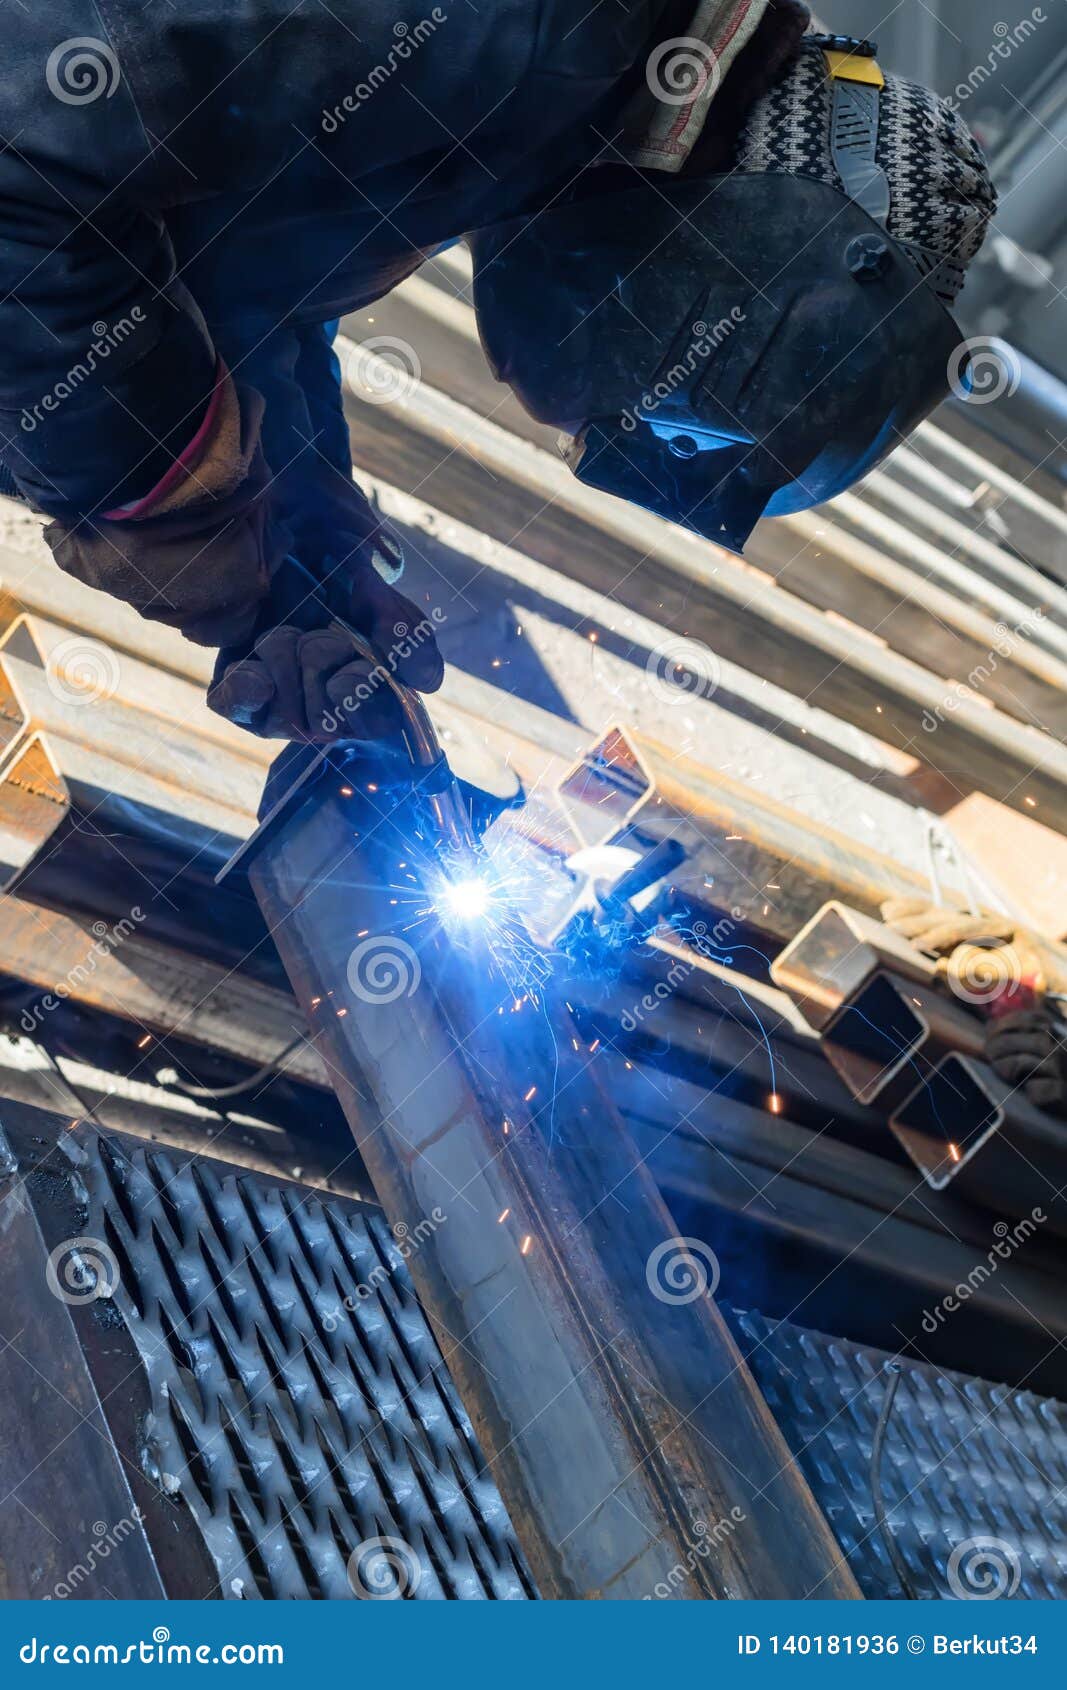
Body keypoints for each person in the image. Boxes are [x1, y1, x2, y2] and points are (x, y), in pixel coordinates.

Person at [0, 2, 995, 745]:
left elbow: (237, 247)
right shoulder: (529, 27)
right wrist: (171, 504)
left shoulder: (563, 94)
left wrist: (297, 521)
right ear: (742, 253)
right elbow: (24, 164)